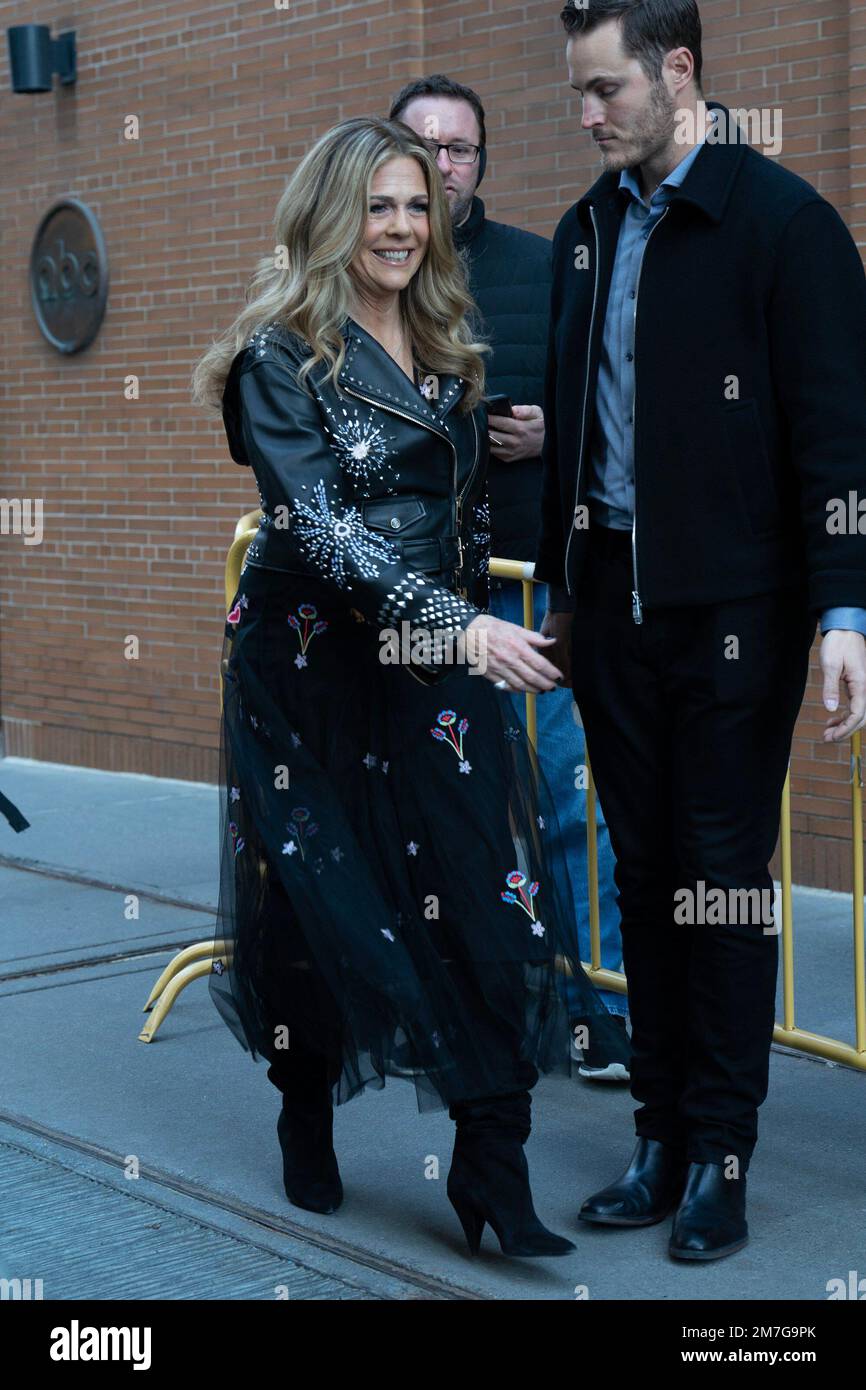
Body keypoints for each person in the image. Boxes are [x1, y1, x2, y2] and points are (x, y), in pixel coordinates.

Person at [191, 116, 622, 1258]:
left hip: (433, 665)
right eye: (377, 205)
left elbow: (461, 517)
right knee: (317, 907)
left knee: (487, 894)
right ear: (331, 216)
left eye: (416, 205)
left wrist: (462, 625)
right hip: (309, 667)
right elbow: (324, 532)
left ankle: (491, 1161)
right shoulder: (276, 357)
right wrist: (461, 627)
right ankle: (304, 1105)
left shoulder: (447, 340)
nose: (398, 226)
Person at [536, 0, 866, 1260]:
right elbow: (577, 426)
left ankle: (721, 1155)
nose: (586, 114)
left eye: (605, 88)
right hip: (610, 607)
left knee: (720, 883)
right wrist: (566, 592)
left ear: (678, 71)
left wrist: (842, 610)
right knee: (641, 873)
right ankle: (661, 1137)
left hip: (736, 613)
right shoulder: (585, 231)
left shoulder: (783, 226)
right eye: (576, 91)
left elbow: (839, 434)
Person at [389, 74, 630, 1080]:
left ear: (479, 162)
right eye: (423, 148)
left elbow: (615, 419)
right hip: (404, 595)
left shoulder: (543, 266)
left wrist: (550, 435)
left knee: (570, 807)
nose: (442, 167)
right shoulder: (361, 277)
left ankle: (597, 1012)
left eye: (460, 150)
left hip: (525, 588)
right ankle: (440, 1009)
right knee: (430, 807)